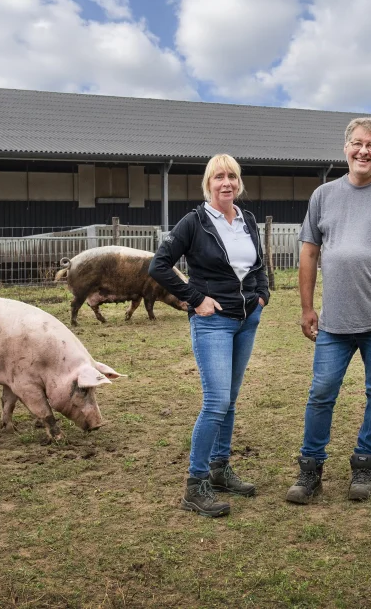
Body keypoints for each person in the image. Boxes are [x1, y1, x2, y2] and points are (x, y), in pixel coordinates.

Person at [286, 117, 371, 504]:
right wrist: (306, 306)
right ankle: (310, 470)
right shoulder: (323, 196)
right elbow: (309, 253)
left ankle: (364, 465)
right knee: (321, 392)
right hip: (334, 319)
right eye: (358, 143)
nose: (364, 151)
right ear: (345, 147)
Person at [149, 153, 270, 518]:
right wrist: (196, 298)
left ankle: (219, 468)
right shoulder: (194, 222)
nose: (226, 183)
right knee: (216, 401)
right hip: (213, 322)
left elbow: (258, 264)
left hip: (247, 319)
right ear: (208, 183)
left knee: (230, 400)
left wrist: (262, 293)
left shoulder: (246, 219)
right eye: (219, 177)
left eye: (232, 176)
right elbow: (159, 265)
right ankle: (195, 483)